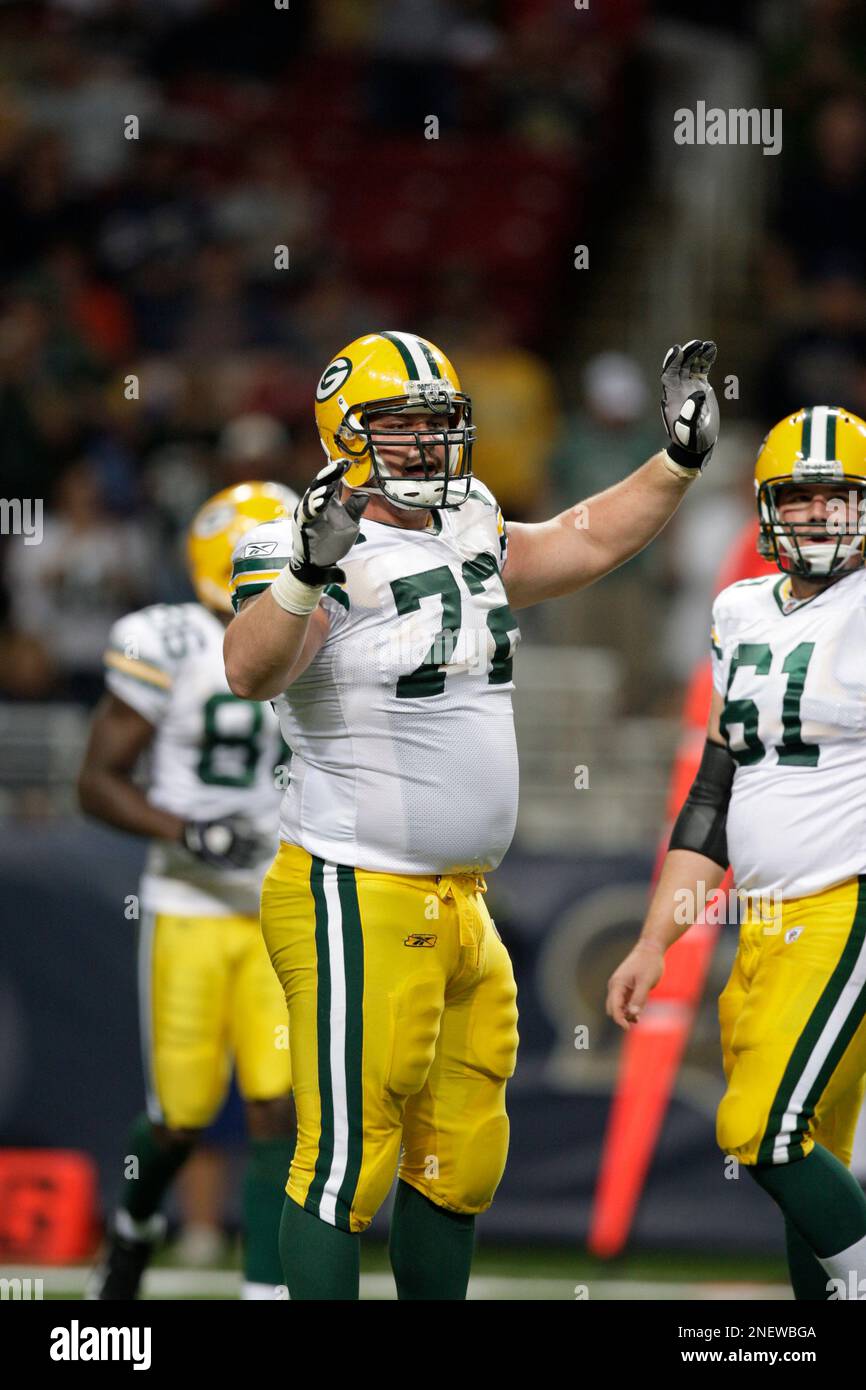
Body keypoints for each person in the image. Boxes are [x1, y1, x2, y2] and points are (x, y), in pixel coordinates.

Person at [224, 329, 719, 1301]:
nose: (426, 446)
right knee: (343, 1161)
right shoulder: (298, 538)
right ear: (345, 435)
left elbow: (577, 542)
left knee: (459, 1157)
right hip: (352, 886)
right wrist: (304, 570)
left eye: (437, 425)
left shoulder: (466, 520)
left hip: (463, 900)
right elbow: (251, 669)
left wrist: (676, 462)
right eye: (402, 428)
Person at [608, 406, 866, 1301]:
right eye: (799, 498)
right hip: (762, 920)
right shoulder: (739, 610)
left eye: (840, 500)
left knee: (763, 1129)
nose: (818, 517)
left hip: (846, 905)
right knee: (812, 1152)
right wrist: (653, 942)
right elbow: (714, 795)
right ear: (766, 508)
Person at [79, 482, 297, 1300]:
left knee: (279, 1105)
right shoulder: (165, 640)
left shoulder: (316, 630)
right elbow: (95, 782)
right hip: (190, 905)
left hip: (280, 904)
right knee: (180, 1119)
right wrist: (187, 831)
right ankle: (134, 1228)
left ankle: (265, 1290)